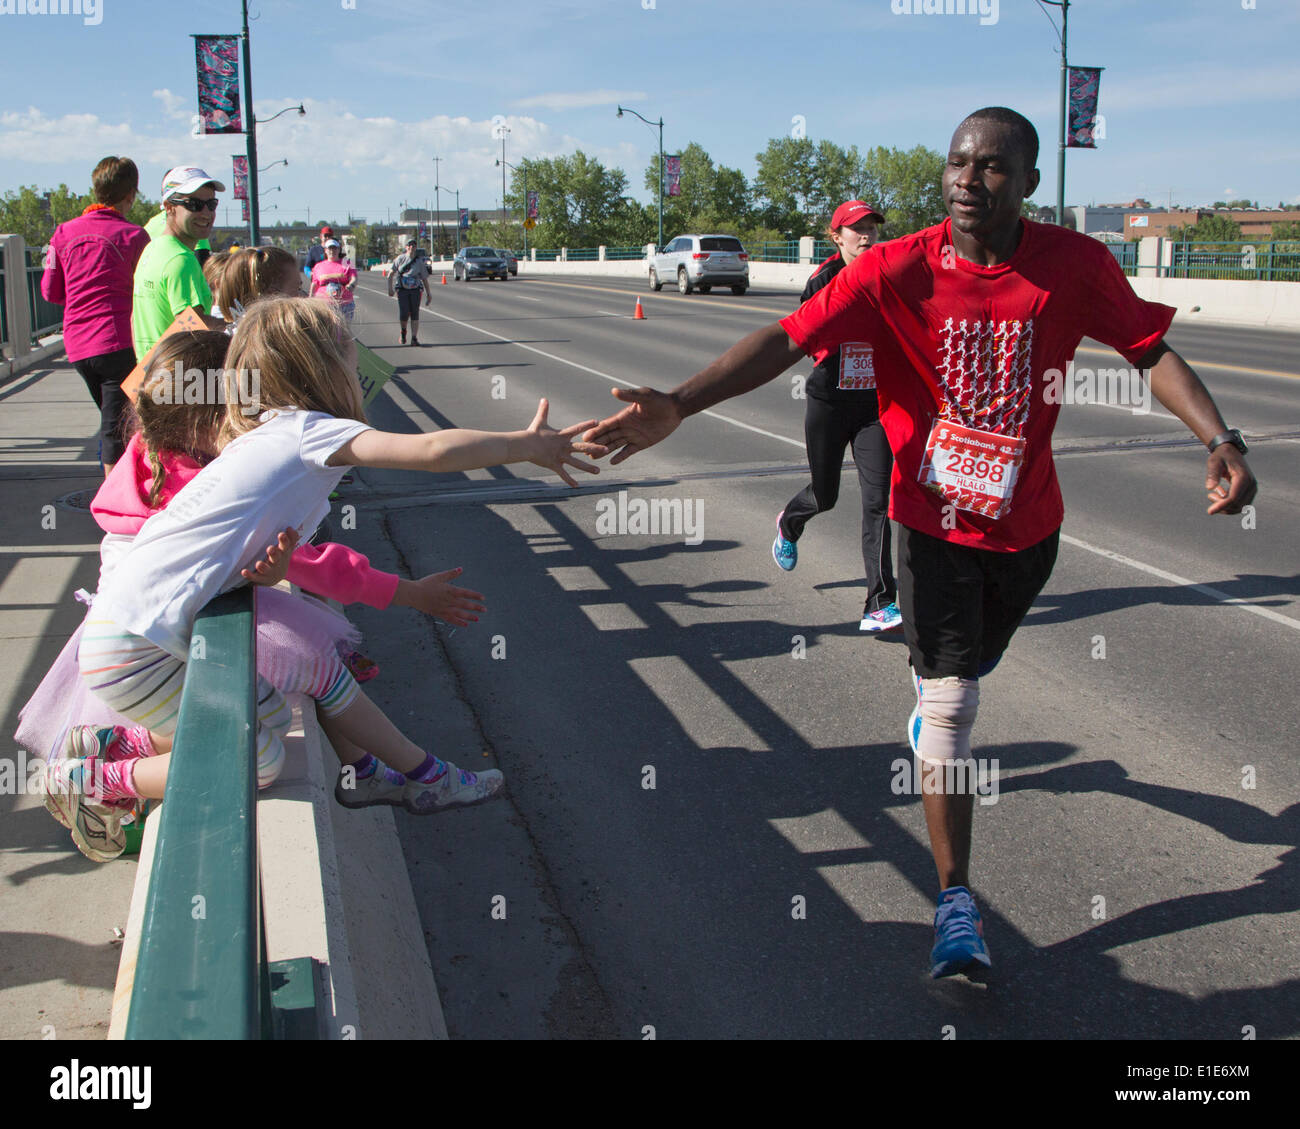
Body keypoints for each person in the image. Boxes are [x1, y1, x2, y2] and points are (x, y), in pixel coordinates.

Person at [584, 107, 1258, 979]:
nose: (967, 181)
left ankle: (942, 693)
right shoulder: (895, 267)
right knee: (951, 710)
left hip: (1028, 533)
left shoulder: (1075, 264)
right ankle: (957, 905)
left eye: (990, 168)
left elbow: (1147, 347)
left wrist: (1220, 439)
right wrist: (679, 401)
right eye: (956, 164)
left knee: (967, 673)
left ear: (1029, 183)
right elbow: (784, 342)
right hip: (931, 525)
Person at [49, 299, 604, 859]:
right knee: (261, 761)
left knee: (265, 717)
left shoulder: (263, 433)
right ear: (322, 368)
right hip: (135, 644)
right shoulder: (305, 431)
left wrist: (272, 569)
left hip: (129, 629)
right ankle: (92, 781)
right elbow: (432, 450)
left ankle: (112, 745)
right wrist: (525, 445)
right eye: (348, 352)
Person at [772, 199, 901, 633]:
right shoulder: (821, 280)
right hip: (828, 402)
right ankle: (790, 524)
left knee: (879, 501)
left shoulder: (889, 273)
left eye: (872, 228)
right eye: (856, 229)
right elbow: (808, 337)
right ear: (837, 236)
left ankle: (880, 603)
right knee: (825, 495)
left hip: (873, 408)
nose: (866, 235)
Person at [40, 156, 150, 477]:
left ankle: (123, 490)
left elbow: (50, 292)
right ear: (131, 194)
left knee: (113, 419)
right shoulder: (134, 237)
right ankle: (114, 508)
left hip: (78, 346)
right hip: (119, 345)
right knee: (117, 428)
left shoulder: (62, 234)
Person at [131, 166, 224, 359]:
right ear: (169, 207)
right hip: (179, 379)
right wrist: (235, 328)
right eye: (194, 204)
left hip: (150, 375)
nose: (206, 213)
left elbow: (134, 320)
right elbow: (193, 325)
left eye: (211, 204)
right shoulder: (181, 259)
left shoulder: (152, 250)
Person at [387, 238, 432, 345]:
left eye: (414, 245)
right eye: (410, 245)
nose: (412, 247)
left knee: (415, 313)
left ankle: (414, 338)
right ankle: (403, 332)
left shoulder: (419, 261)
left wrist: (429, 294)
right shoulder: (400, 259)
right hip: (402, 289)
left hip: (415, 290)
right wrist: (390, 289)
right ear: (406, 247)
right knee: (404, 313)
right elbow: (391, 274)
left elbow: (424, 279)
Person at [310, 239, 358, 321]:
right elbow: (314, 283)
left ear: (339, 249)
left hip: (344, 303)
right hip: (324, 303)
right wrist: (310, 298)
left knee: (343, 330)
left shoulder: (347, 263)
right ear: (325, 250)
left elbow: (353, 278)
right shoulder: (318, 266)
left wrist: (351, 285)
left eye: (335, 248)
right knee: (326, 330)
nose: (332, 251)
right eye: (330, 248)